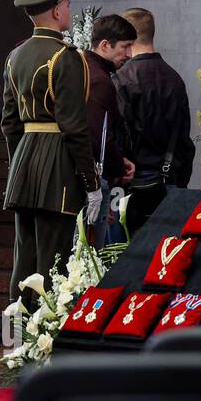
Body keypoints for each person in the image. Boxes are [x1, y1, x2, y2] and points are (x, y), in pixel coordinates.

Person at [1, 0, 101, 293]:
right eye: (66, 5)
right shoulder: (66, 57)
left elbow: (10, 123)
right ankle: (45, 341)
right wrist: (92, 183)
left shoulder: (14, 57)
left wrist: (21, 164)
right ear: (57, 11)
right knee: (52, 262)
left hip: (24, 163)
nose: (69, 11)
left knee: (24, 259)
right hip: (57, 167)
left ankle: (21, 335)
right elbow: (74, 127)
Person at [113, 7, 195, 234]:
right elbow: (184, 137)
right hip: (170, 180)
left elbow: (119, 135)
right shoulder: (175, 78)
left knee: (125, 256)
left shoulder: (122, 79)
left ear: (126, 37)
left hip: (132, 185)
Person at [85, 14, 137, 245]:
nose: (129, 54)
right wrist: (119, 165)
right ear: (105, 45)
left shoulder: (86, 69)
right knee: (91, 256)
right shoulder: (99, 79)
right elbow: (98, 135)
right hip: (96, 178)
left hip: (88, 175)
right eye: (125, 47)